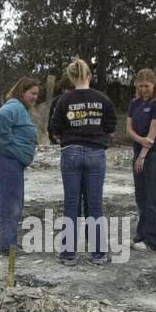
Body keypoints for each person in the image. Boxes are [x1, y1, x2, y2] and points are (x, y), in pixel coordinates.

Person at [48, 58, 116, 265]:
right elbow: (111, 125)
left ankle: (69, 254)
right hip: (96, 153)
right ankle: (99, 254)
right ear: (89, 75)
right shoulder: (102, 98)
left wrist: (67, 135)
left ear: (70, 77)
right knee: (94, 204)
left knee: (71, 203)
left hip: (71, 152)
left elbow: (55, 128)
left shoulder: (64, 101)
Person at [0, 77, 40, 255]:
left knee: (13, 201)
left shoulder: (21, 109)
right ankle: (7, 246)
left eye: (37, 94)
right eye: (32, 93)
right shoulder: (14, 107)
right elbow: (2, 117)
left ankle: (9, 243)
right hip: (7, 159)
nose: (35, 97)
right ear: (22, 92)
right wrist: (10, 143)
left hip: (11, 159)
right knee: (11, 203)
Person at [127, 68, 156, 252]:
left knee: (153, 198)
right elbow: (128, 129)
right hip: (139, 150)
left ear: (154, 85)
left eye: (147, 86)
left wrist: (143, 154)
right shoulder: (134, 103)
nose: (144, 89)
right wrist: (139, 141)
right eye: (141, 86)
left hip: (154, 154)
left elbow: (152, 134)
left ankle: (154, 241)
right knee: (141, 197)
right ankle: (141, 234)